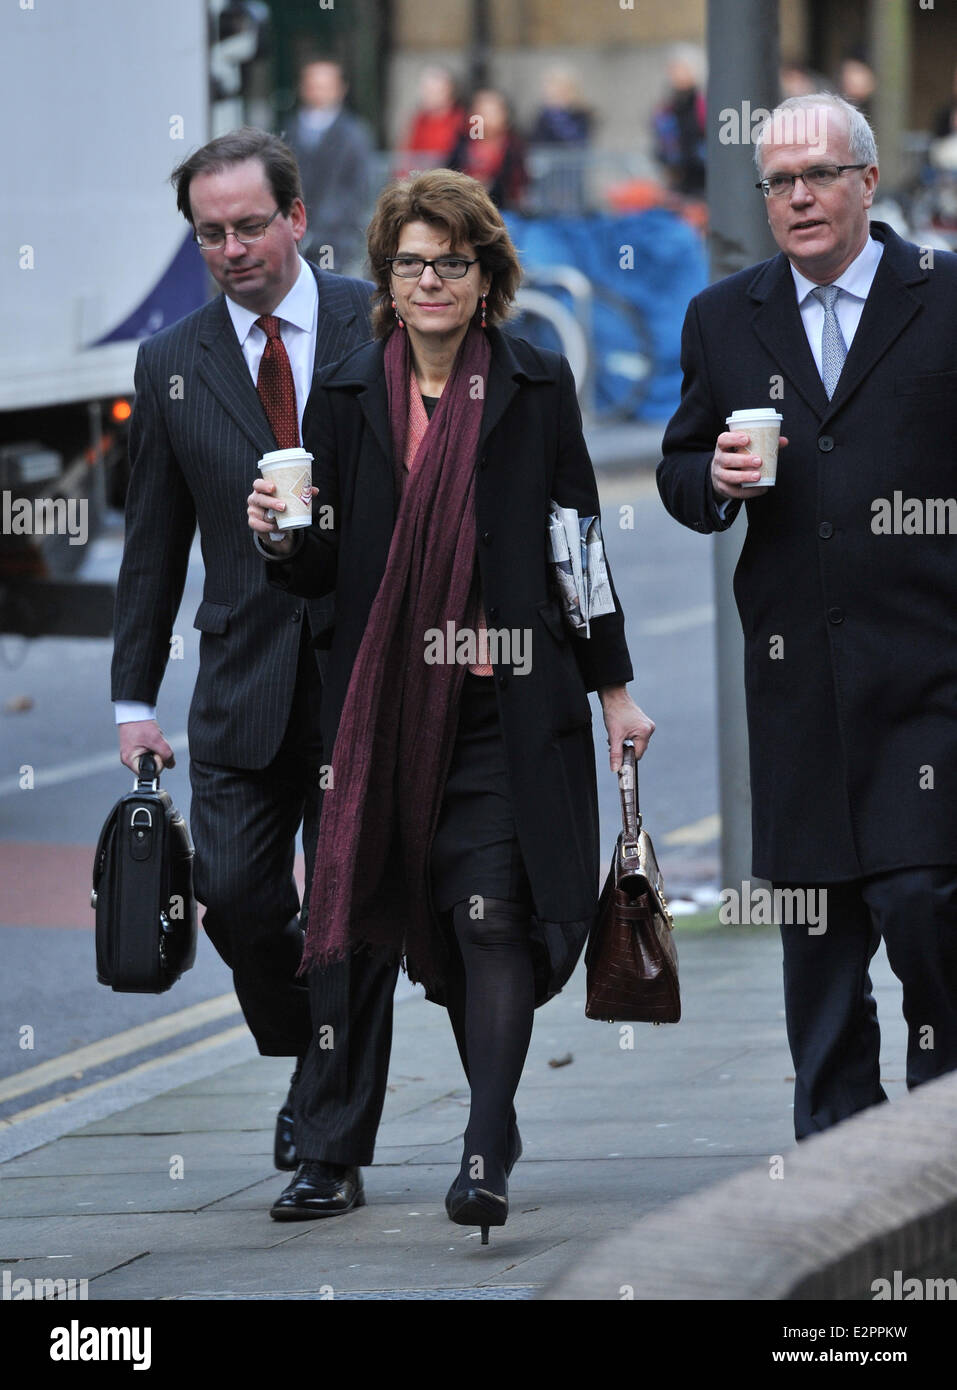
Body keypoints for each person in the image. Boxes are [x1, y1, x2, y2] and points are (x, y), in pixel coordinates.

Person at [248, 168, 654, 1236]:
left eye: (453, 262)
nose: (431, 280)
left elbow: (579, 545)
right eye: (412, 262)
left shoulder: (530, 380)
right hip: (382, 713)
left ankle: (483, 1146)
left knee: (492, 920)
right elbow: (321, 570)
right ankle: (465, 1116)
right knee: (407, 925)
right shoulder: (343, 393)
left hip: (505, 707)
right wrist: (280, 537)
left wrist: (615, 689)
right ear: (386, 276)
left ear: (486, 279)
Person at [657, 93, 957, 1139]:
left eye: (819, 174)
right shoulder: (723, 316)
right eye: (778, 182)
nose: (798, 197)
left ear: (868, 182)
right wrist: (717, 479)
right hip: (797, 684)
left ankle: (937, 1142)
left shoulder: (944, 294)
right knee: (816, 940)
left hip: (932, 675)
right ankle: (835, 1164)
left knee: (926, 900)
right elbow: (680, 468)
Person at [111, 127, 374, 1178]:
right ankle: (319, 1052)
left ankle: (326, 1139)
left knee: (349, 913)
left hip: (361, 670)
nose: (233, 249)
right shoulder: (172, 363)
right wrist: (133, 697)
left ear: (298, 220)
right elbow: (151, 548)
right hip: (243, 681)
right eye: (210, 233)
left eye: (251, 226)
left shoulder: (377, 320)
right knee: (235, 893)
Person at [286, 60, 373, 276]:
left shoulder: (354, 134)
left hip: (338, 240)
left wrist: (334, 224)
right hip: (294, 237)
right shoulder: (290, 131)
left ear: (340, 89)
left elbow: (359, 188)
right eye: (313, 85)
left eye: (325, 86)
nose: (318, 92)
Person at [446, 90, 528, 211]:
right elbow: (449, 172)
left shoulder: (514, 146)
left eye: (492, 113)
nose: (486, 118)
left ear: (505, 115)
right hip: (464, 206)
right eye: (482, 113)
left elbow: (517, 186)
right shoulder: (463, 143)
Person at [400, 65, 466, 166]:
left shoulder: (462, 120)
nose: (426, 96)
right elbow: (407, 155)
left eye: (434, 91)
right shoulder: (419, 119)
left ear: (449, 91)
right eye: (425, 90)